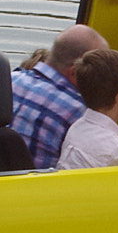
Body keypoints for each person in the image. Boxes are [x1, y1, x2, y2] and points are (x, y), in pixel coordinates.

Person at [10, 23, 106, 168]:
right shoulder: (78, 112)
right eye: (100, 70)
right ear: (75, 72)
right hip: (41, 187)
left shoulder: (8, 80)